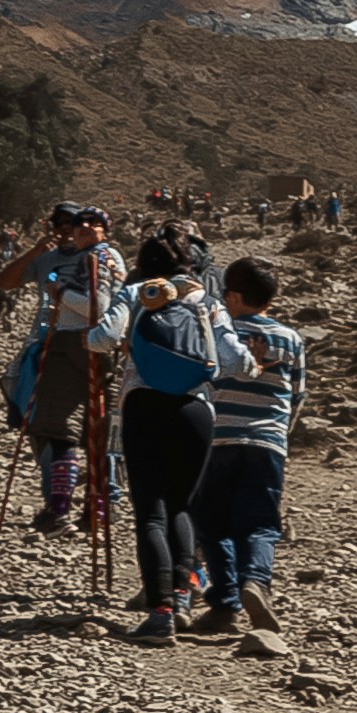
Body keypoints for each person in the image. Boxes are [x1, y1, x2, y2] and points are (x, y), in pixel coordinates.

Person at [118, 260, 247, 646]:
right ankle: (182, 598)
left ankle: (160, 616)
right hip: (195, 409)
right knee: (180, 506)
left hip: (143, 405)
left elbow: (99, 338)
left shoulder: (138, 295)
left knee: (150, 511)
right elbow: (234, 361)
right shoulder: (208, 304)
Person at [0, 201, 129, 548]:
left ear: (105, 230)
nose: (76, 228)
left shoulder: (97, 258)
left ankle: (60, 510)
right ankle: (94, 509)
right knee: (93, 430)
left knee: (57, 428)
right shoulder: (93, 257)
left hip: (67, 346)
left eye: (89, 223)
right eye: (70, 223)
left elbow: (97, 305)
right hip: (83, 348)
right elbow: (4, 283)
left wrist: (60, 293)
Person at [194, 258, 309, 642]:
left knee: (210, 521)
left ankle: (224, 601)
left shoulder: (216, 334)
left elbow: (202, 383)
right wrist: (280, 435)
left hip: (218, 439)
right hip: (267, 444)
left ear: (234, 296)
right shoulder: (291, 339)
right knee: (260, 521)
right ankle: (256, 582)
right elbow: (297, 395)